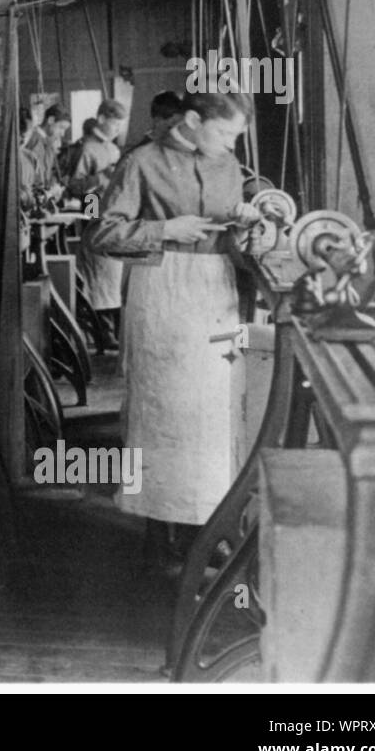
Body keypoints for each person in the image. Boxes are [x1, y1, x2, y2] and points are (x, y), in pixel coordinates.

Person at [85, 91, 261, 572]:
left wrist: (244, 228)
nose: (230, 144)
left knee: (213, 421)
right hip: (164, 293)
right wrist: (164, 230)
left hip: (218, 292)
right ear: (191, 121)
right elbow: (102, 234)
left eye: (235, 136)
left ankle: (208, 529)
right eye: (224, 132)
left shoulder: (228, 166)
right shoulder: (141, 162)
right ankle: (159, 530)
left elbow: (233, 235)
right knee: (163, 418)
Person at [69, 98, 128, 344]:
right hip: (96, 218)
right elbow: (76, 187)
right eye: (115, 123)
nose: (117, 129)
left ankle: (111, 330)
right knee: (100, 280)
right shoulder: (86, 148)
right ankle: (102, 332)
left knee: (114, 280)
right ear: (102, 118)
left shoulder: (113, 149)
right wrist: (100, 178)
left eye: (120, 125)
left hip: (114, 219)